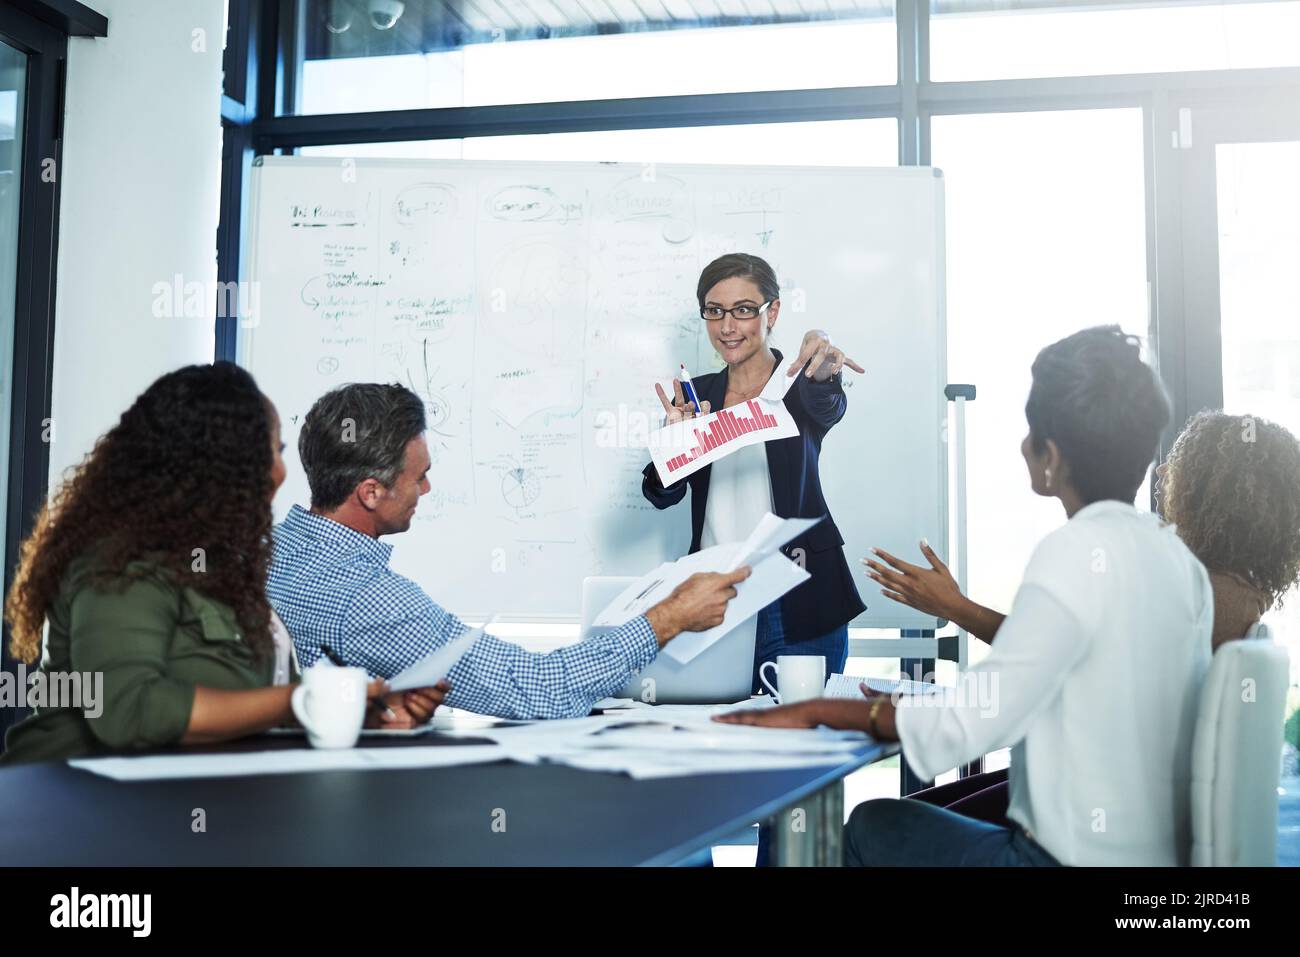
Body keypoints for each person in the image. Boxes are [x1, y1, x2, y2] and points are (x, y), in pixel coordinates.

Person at [719, 326, 1213, 867]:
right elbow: (1056, 678)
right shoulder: (1176, 562)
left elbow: (965, 729)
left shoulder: (1073, 553)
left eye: (1031, 431)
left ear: (1048, 454)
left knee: (870, 823)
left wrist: (817, 710)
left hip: (1055, 861)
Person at [858, 409, 1300, 824]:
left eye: (1182, 470)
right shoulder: (1228, 591)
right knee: (913, 811)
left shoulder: (1205, 595)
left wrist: (954, 611)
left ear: (1212, 493)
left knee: (873, 822)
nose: (1166, 476)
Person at [1, 363, 441, 766]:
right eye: (274, 450)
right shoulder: (121, 562)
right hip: (75, 811)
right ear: (225, 463)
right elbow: (130, 712)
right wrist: (297, 701)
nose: (282, 472)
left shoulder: (222, 565)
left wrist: (363, 715)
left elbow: (244, 706)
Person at [267, 382, 749, 721]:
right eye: (419, 476)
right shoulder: (367, 598)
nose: (428, 487)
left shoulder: (270, 551)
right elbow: (540, 688)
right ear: (371, 492)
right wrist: (670, 618)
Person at [642, 252, 866, 693]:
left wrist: (820, 360)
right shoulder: (698, 394)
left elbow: (828, 402)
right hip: (716, 599)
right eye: (715, 311)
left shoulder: (798, 386)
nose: (728, 327)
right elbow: (660, 493)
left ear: (773, 312)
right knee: (716, 739)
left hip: (798, 596)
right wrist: (674, 444)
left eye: (744, 310)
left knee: (803, 742)